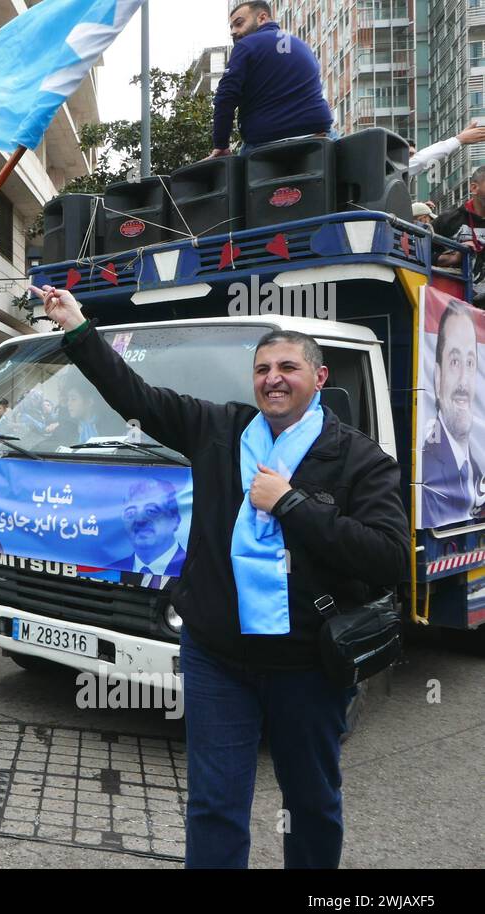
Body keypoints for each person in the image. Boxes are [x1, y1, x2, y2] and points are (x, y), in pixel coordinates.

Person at [33, 283, 408, 869]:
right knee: (213, 803)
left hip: (308, 664)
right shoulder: (219, 429)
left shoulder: (362, 459)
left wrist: (291, 504)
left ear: (319, 376)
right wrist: (78, 327)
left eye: (288, 366)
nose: (273, 378)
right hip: (217, 658)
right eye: (262, 369)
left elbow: (387, 558)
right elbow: (135, 395)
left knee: (310, 801)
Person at [207, 2, 334, 158]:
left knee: (232, 177)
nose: (234, 32)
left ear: (262, 18)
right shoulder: (302, 45)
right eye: (231, 28)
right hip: (319, 134)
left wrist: (221, 145)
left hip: (264, 143)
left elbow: (225, 96)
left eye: (239, 24)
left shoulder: (245, 46)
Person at [420, 299, 482, 528]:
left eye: (470, 362)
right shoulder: (425, 466)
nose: (464, 381)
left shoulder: (478, 463)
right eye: (455, 361)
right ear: (437, 378)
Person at [114, 478, 188, 587]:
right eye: (131, 512)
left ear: (175, 520)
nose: (139, 520)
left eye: (151, 511)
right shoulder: (110, 570)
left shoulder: (198, 571)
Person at [433, 166, 485, 300]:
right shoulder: (448, 220)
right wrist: (451, 258)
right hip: (453, 305)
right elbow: (419, 256)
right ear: (474, 188)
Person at [408, 122, 485, 179]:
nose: (415, 157)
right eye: (410, 155)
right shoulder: (398, 169)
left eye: (415, 154)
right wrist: (459, 139)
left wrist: (460, 138)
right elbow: (421, 161)